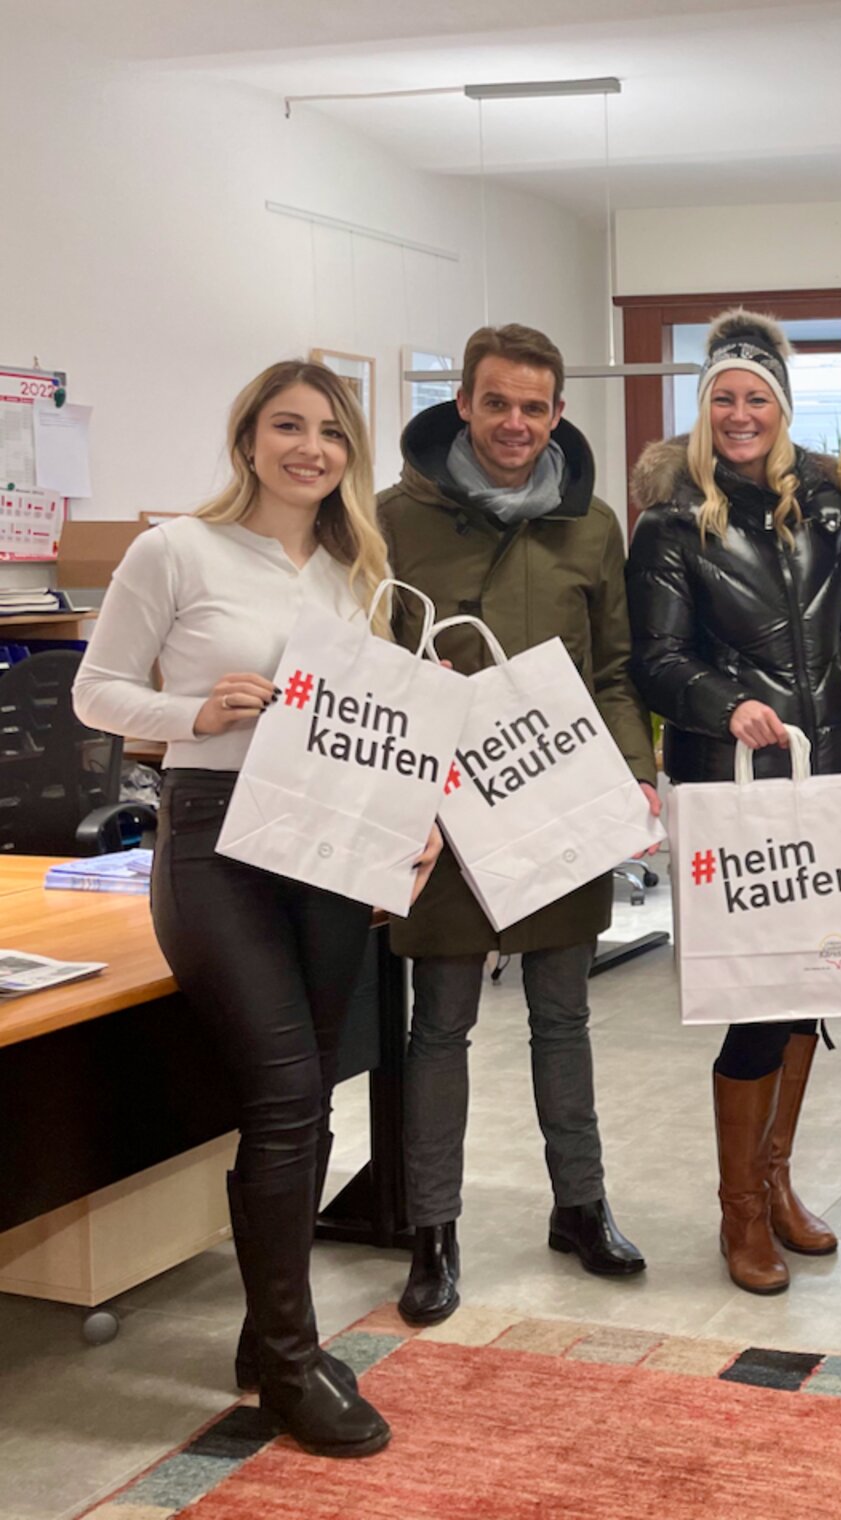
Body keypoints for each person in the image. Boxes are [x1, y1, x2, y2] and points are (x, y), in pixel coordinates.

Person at [74, 361, 437, 1457]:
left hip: (325, 840)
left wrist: (410, 816)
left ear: (350, 454)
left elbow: (382, 722)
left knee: (308, 1095)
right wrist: (194, 707)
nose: (309, 448)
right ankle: (288, 1362)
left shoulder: (354, 567)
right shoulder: (175, 549)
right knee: (282, 1091)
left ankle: (265, 1329)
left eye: (330, 431)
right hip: (213, 835)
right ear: (248, 438)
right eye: (287, 425)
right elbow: (95, 689)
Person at [378, 323, 659, 1327]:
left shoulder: (590, 527)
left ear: (556, 414)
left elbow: (617, 668)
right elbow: (370, 657)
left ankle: (579, 1206)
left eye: (534, 407)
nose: (514, 423)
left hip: (555, 796)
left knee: (562, 1013)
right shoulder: (392, 520)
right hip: (446, 810)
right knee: (441, 1023)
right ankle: (432, 1230)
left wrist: (635, 775)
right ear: (463, 402)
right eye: (496, 402)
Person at [626, 310, 841, 1296]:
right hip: (733, 785)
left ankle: (775, 1182)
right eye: (722, 397)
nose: (738, 413)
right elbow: (656, 661)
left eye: (754, 397)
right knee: (754, 1003)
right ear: (703, 408)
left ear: (782, 407)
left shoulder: (826, 509)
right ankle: (737, 1213)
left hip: (826, 778)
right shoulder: (673, 525)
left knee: (813, 986)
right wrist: (732, 706)